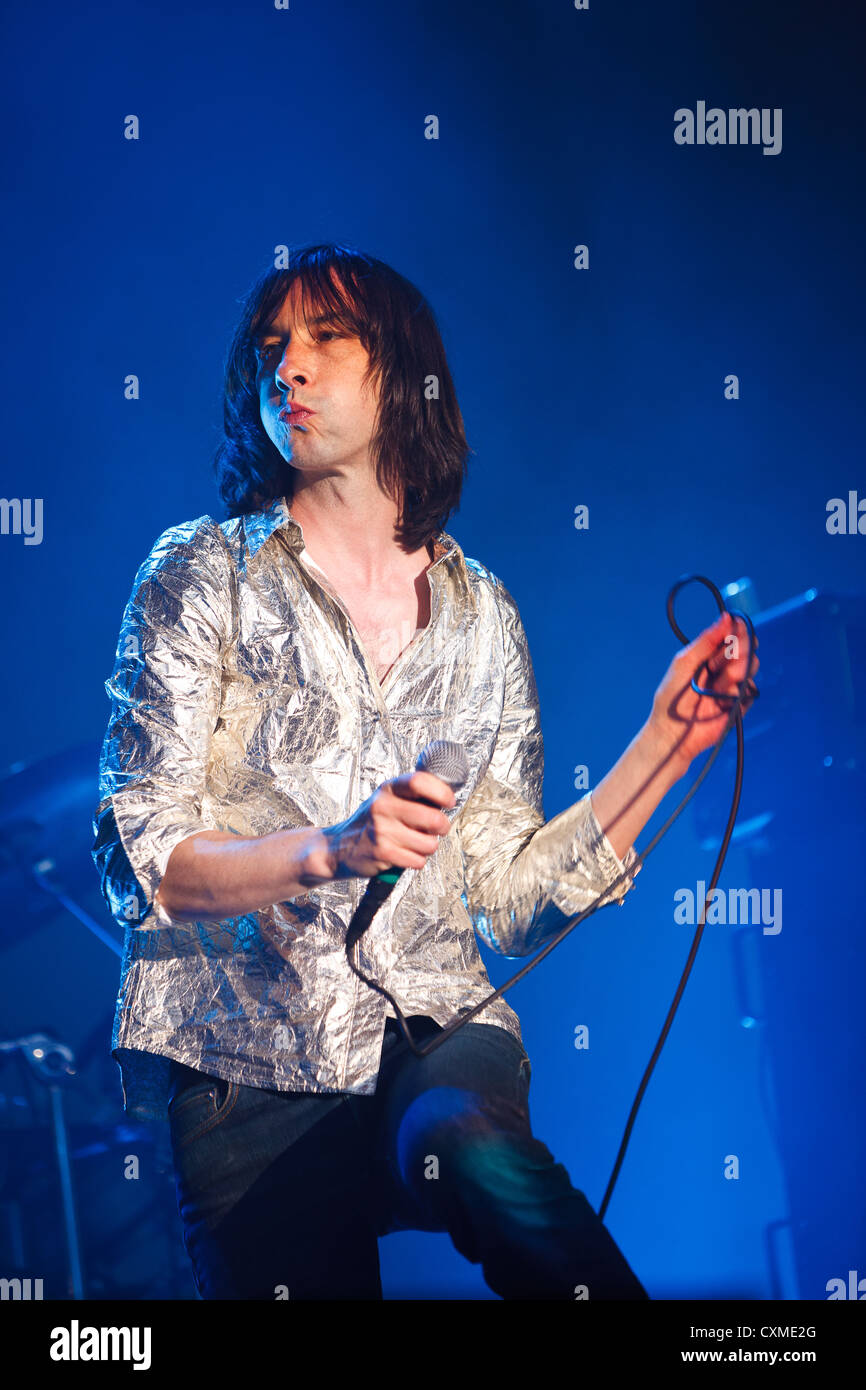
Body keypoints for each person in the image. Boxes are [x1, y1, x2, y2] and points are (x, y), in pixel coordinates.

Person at [92, 242, 758, 1301]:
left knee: (478, 1153)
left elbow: (505, 896)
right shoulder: (197, 572)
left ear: (404, 374)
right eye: (270, 348)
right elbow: (146, 863)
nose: (287, 368)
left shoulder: (482, 613)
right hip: (243, 1076)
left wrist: (666, 745)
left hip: (432, 1036)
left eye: (325, 338)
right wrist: (333, 848)